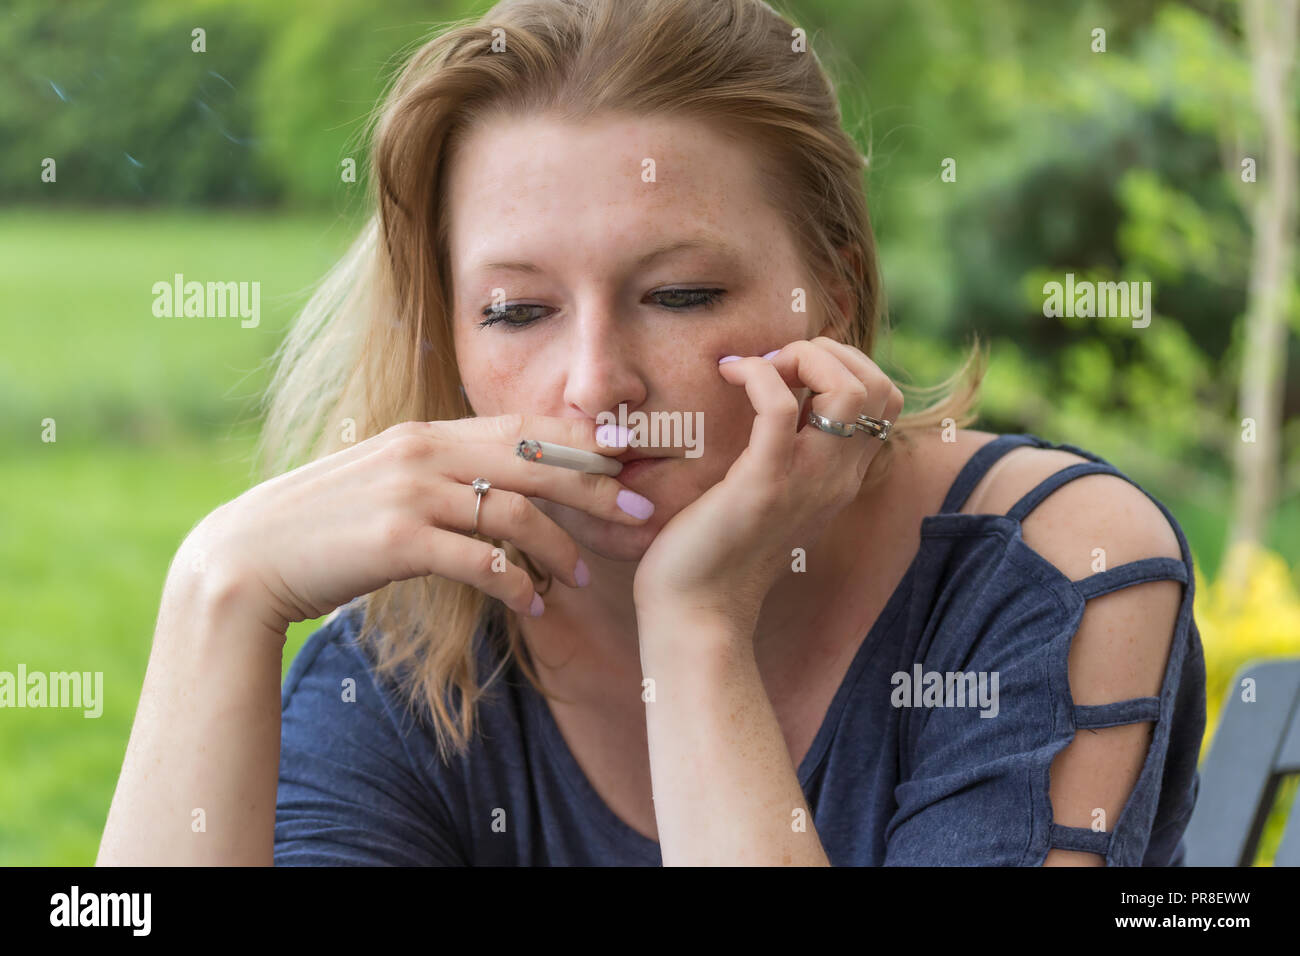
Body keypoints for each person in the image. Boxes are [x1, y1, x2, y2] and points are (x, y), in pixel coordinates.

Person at [97, 0, 1206, 866]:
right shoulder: (413, 662)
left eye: (676, 294)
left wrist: (696, 626)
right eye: (518, 310)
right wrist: (217, 593)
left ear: (832, 288)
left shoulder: (1054, 568)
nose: (594, 382)